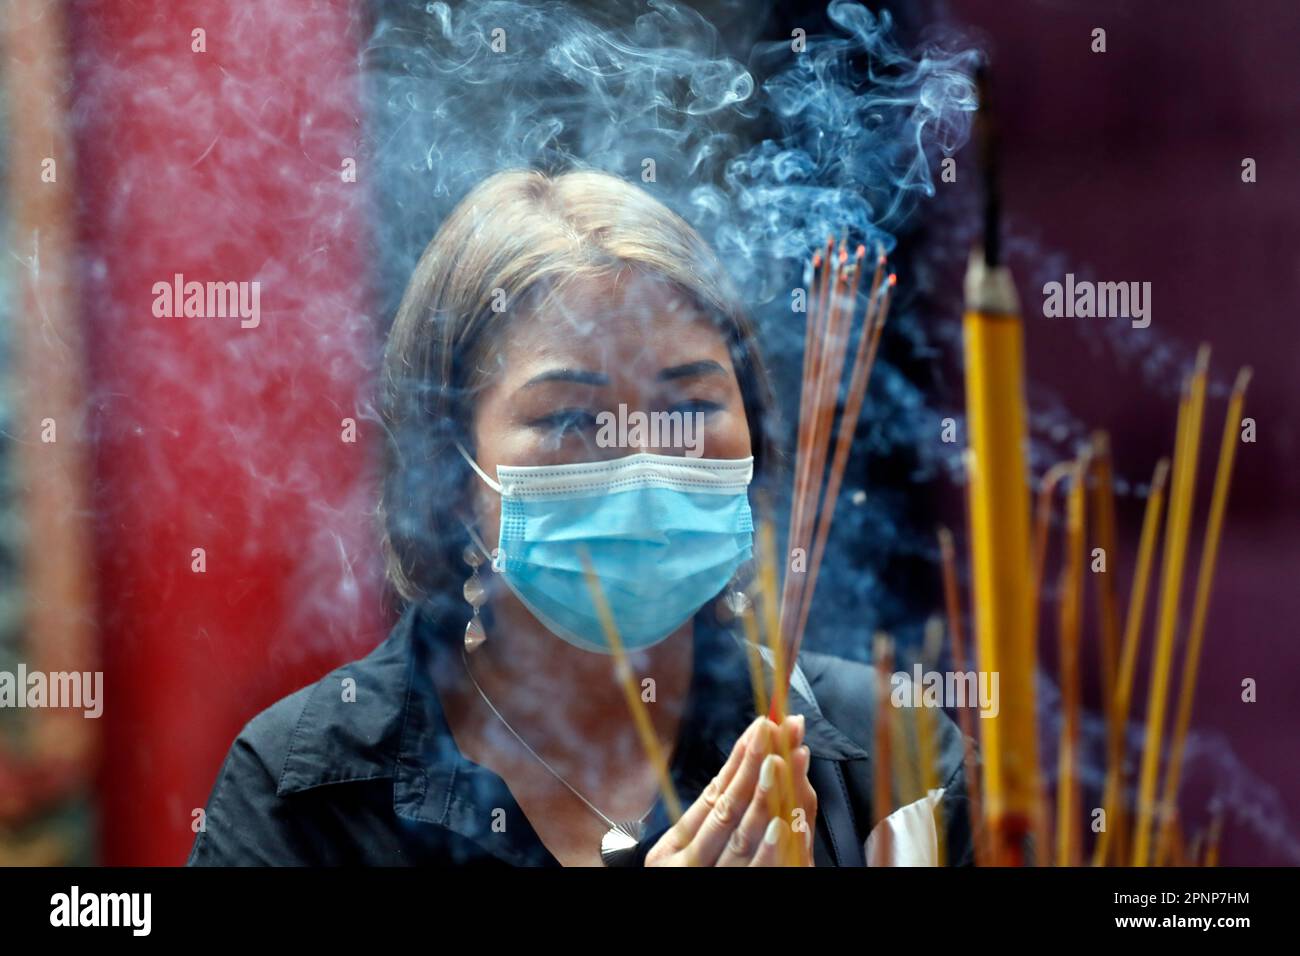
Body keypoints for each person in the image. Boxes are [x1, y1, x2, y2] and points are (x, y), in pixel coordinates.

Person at [188, 168, 975, 867]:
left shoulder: (885, 758)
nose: (643, 463)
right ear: (449, 474)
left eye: (689, 406)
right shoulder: (307, 795)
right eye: (573, 419)